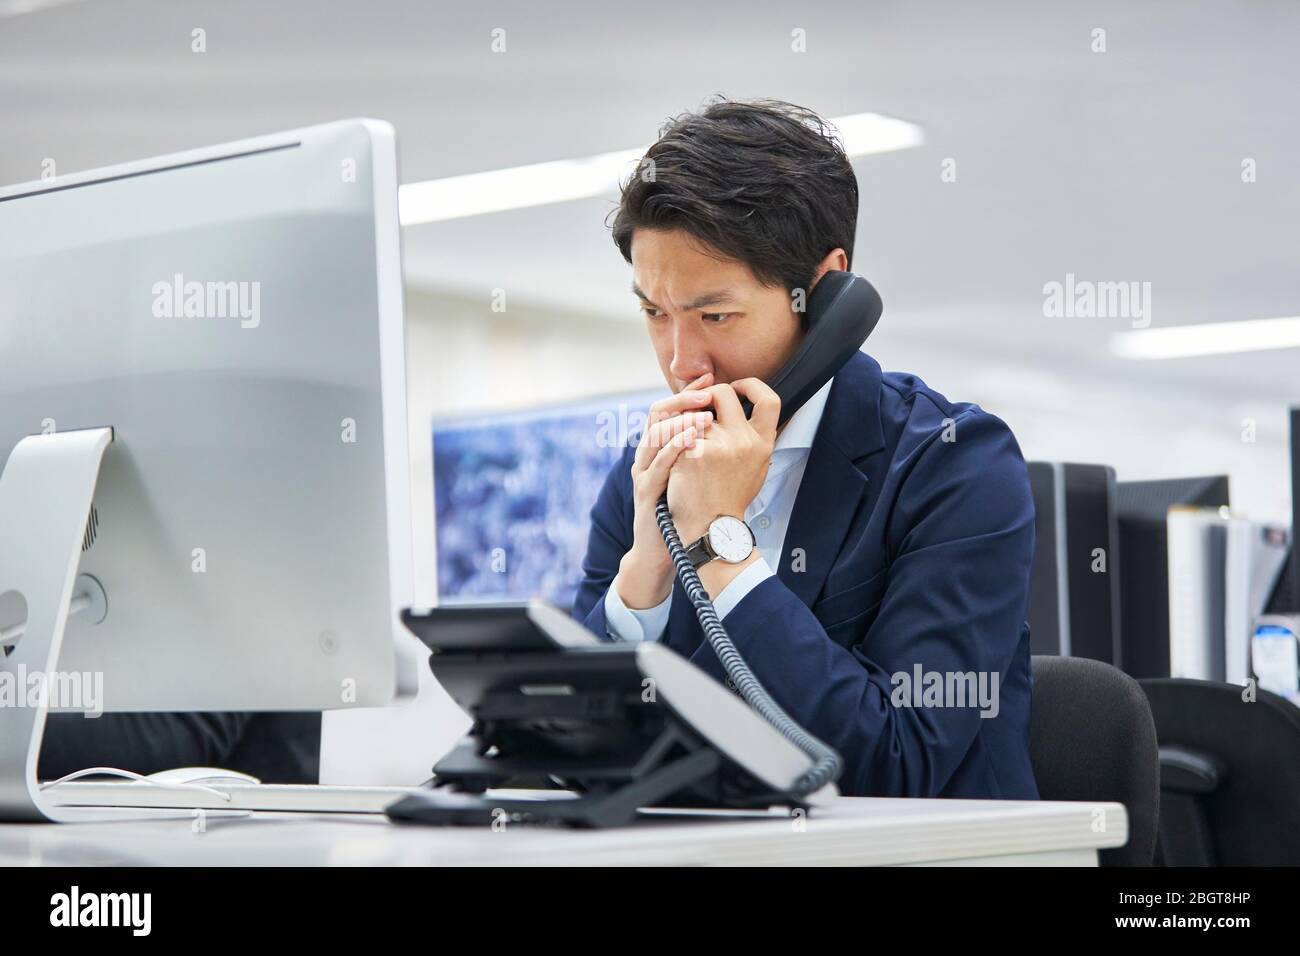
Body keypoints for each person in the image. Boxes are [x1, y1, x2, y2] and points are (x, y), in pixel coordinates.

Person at [571, 97, 1038, 799]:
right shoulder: (651, 474)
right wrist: (647, 574)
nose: (681, 362)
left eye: (715, 315)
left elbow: (896, 761)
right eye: (653, 313)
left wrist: (719, 545)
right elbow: (571, 754)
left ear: (823, 294)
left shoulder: (955, 464)